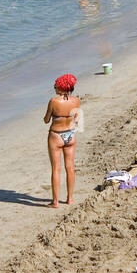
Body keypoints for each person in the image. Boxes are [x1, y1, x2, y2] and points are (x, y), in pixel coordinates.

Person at [43, 74, 81, 208]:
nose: (54, 87)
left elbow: (46, 120)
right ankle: (70, 199)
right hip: (70, 135)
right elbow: (77, 120)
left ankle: (55, 202)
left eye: (55, 85)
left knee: (56, 169)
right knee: (70, 167)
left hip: (56, 135)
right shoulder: (76, 100)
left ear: (61, 87)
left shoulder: (54, 101)